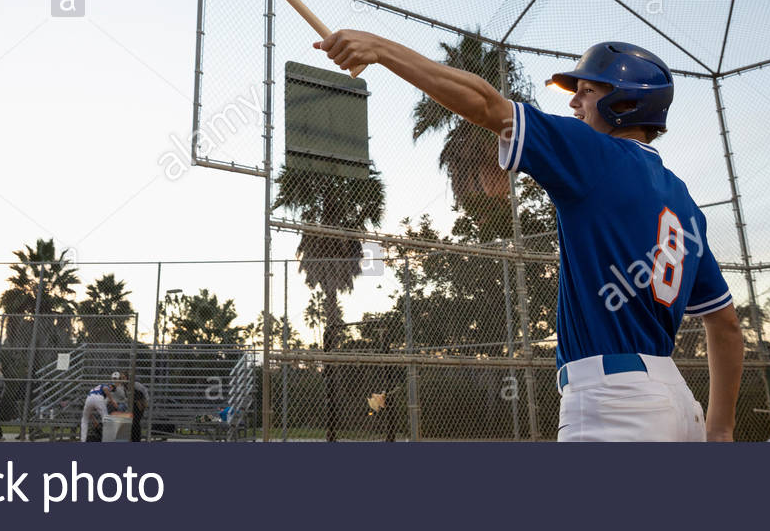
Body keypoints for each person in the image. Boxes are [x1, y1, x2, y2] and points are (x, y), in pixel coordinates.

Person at [314, 33, 744, 442]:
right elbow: (724, 326)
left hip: (615, 405)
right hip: (677, 403)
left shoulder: (595, 154)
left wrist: (380, 50)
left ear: (626, 102)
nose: (574, 101)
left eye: (588, 91)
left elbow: (487, 105)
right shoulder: (683, 201)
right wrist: (720, 430)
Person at [80, 375, 120, 442]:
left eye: (113, 389)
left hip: (89, 398)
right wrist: (113, 401)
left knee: (84, 419)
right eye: (112, 388)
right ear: (110, 385)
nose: (111, 389)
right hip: (98, 397)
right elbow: (105, 389)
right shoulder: (105, 385)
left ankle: (83, 440)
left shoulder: (98, 387)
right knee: (105, 418)